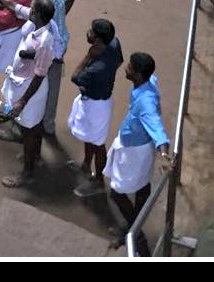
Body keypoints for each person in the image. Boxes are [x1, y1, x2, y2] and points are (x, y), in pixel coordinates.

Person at [0, 0, 76, 142]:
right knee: (50, 91)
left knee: (34, 92)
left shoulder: (45, 35)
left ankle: (26, 128)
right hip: (58, 43)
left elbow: (41, 64)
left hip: (53, 54)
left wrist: (28, 55)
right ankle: (47, 125)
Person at [104, 52, 173, 256]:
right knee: (142, 185)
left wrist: (164, 154)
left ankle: (136, 234)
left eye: (130, 67)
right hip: (137, 145)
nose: (126, 68)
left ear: (138, 74)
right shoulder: (149, 81)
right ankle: (133, 223)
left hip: (134, 152)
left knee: (117, 192)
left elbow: (157, 128)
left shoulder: (146, 103)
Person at [0, 0, 58, 188]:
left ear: (38, 14)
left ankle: (27, 173)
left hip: (31, 89)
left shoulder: (46, 40)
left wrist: (22, 101)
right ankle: (35, 156)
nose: (29, 10)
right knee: (33, 126)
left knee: (30, 130)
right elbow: (13, 6)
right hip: (22, 82)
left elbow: (39, 75)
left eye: (33, 9)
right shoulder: (35, 25)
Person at [67, 18, 124, 198]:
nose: (88, 33)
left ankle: (98, 180)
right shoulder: (114, 43)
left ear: (98, 40)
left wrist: (89, 55)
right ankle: (85, 164)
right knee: (89, 137)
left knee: (97, 142)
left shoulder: (98, 67)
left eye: (91, 32)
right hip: (94, 99)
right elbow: (120, 60)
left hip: (96, 105)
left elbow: (75, 77)